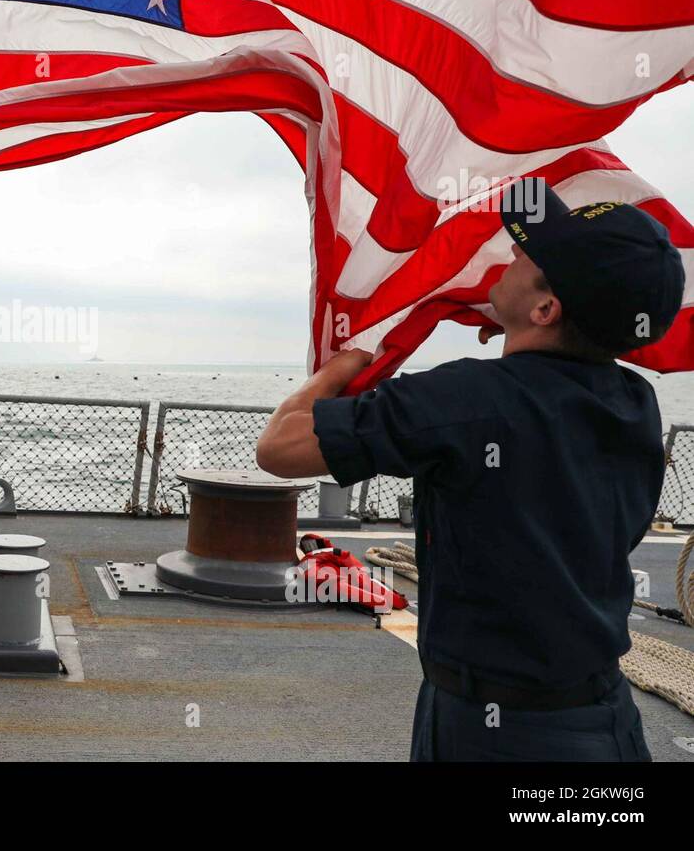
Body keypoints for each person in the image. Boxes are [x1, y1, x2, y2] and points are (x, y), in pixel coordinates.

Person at [256, 179, 686, 761]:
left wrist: (351, 359)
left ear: (546, 307)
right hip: (601, 721)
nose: (509, 254)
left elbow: (279, 447)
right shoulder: (635, 404)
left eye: (526, 254)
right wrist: (522, 346)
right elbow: (544, 404)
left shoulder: (467, 399)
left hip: (496, 735)